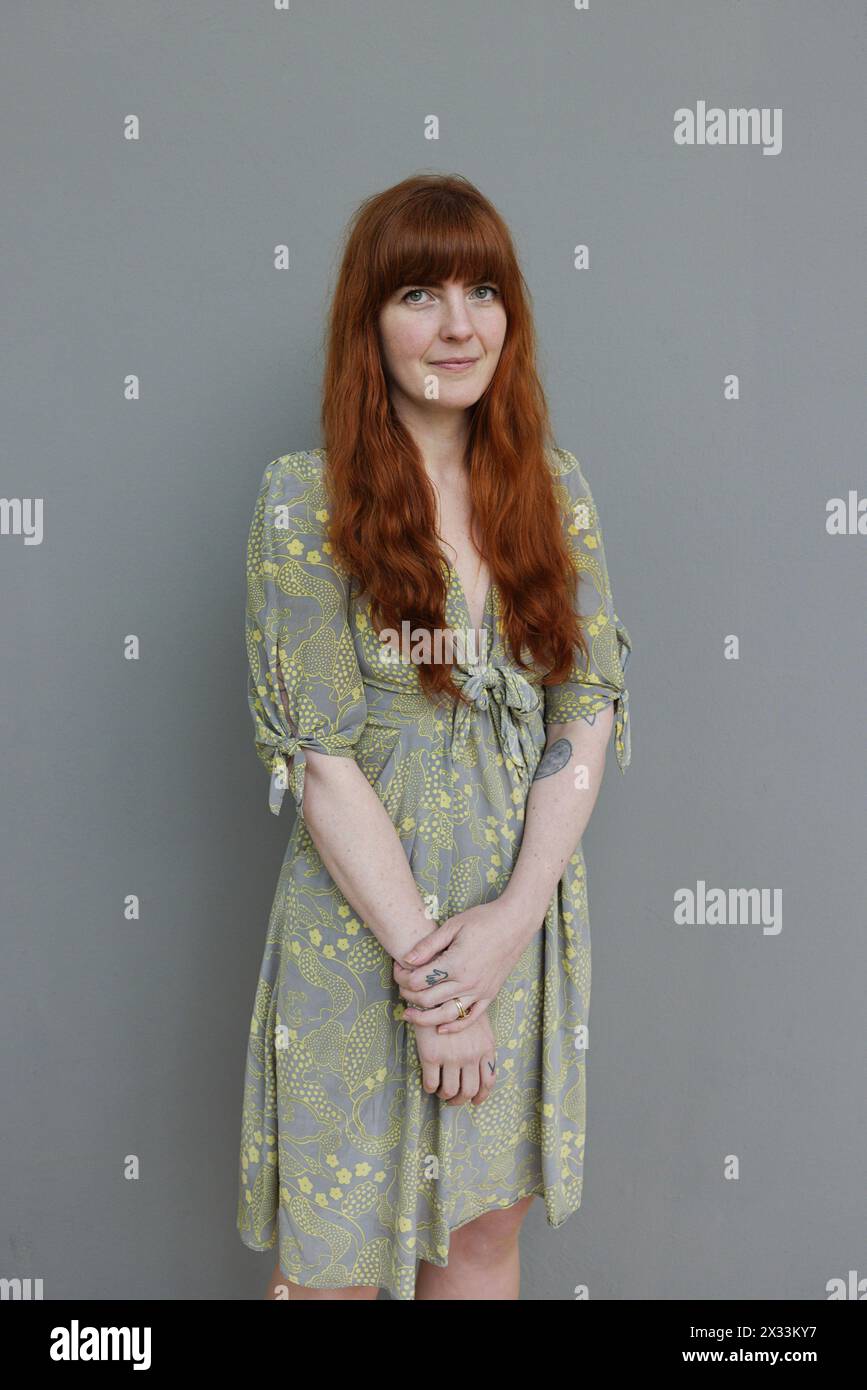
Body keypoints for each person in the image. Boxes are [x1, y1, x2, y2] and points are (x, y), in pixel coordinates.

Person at [236, 172, 633, 1301]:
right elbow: (319, 756)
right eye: (420, 293)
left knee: (481, 1242)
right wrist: (437, 982)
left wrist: (508, 928)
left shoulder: (555, 492)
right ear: (369, 322)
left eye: (483, 291)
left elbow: (585, 708)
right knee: (333, 1271)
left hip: (516, 915)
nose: (459, 325)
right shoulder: (300, 503)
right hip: (364, 934)